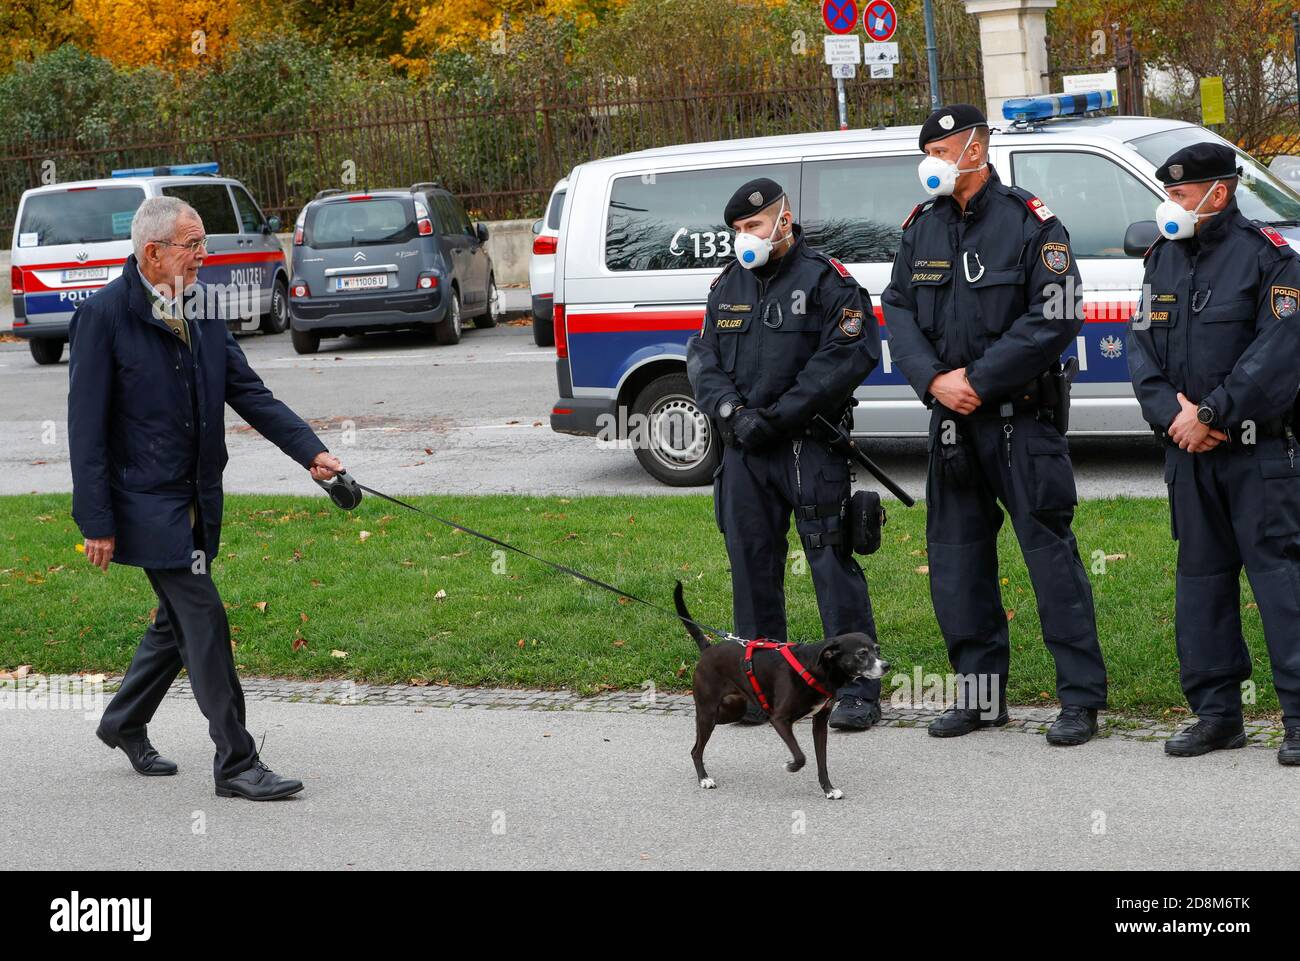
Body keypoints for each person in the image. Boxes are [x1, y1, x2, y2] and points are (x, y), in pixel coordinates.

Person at [70, 196, 343, 799]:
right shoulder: (105, 317)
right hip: (145, 504)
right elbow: (85, 428)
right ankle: (237, 764)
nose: (203, 255)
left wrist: (311, 452)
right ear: (154, 252)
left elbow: (250, 392)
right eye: (192, 244)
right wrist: (95, 518)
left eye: (202, 244)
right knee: (204, 619)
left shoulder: (204, 308)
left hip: (198, 497)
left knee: (175, 624)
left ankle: (122, 722)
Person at [881, 104, 1107, 744]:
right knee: (957, 565)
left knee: (1050, 561)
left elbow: (1056, 317)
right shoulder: (920, 228)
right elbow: (897, 307)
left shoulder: (1033, 225)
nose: (935, 160)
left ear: (978, 148)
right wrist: (932, 380)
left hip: (1021, 423)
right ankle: (981, 699)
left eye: (945, 147)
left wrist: (977, 380)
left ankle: (1080, 701)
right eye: (927, 150)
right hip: (951, 427)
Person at [687, 177, 884, 730]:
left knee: (830, 561)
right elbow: (703, 358)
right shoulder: (728, 283)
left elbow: (845, 358)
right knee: (752, 564)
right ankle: (759, 689)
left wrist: (774, 419)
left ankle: (857, 690)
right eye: (735, 230)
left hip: (807, 449)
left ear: (784, 220)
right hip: (745, 451)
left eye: (752, 226)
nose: (743, 238)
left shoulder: (828, 281)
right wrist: (731, 413)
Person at [1128, 141, 1300, 764]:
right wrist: (1175, 419)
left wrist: (1210, 413)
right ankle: (1217, 714)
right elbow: (1139, 349)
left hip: (1256, 456)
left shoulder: (1270, 260)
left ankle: (1299, 718)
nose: (1167, 206)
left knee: (1281, 582)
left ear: (1217, 193)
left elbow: (1278, 356)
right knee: (1200, 586)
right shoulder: (1162, 260)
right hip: (1188, 455)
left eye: (1176, 194)